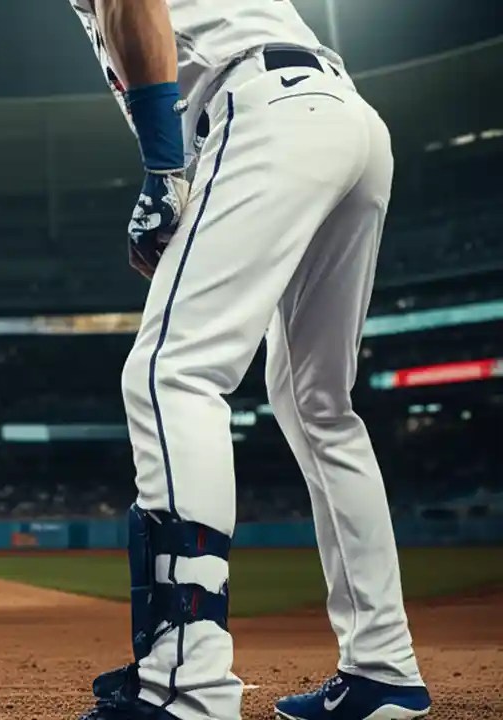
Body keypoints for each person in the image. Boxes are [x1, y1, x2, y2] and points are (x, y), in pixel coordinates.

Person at [63, 1, 430, 719]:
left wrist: (165, 172)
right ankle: (385, 669)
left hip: (262, 110)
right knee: (319, 403)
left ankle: (185, 682)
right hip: (345, 117)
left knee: (174, 370)